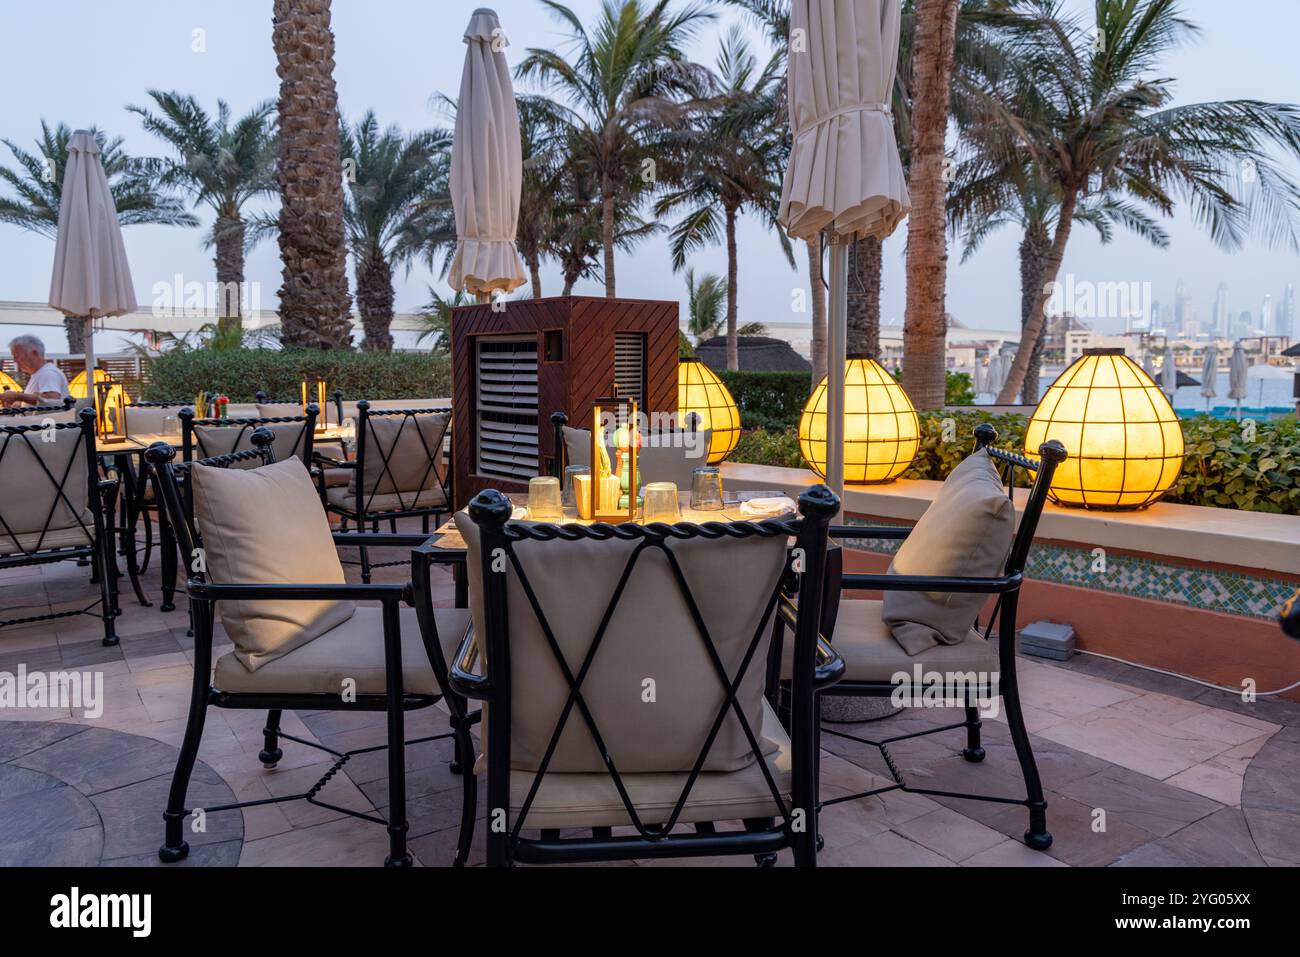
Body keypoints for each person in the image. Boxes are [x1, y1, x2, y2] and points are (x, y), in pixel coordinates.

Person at [2, 335, 71, 408]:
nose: (15, 361)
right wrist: (21, 403)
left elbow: (51, 400)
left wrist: (19, 397)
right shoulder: (40, 373)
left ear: (34, 353)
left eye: (17, 356)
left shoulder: (48, 373)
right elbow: (40, 401)